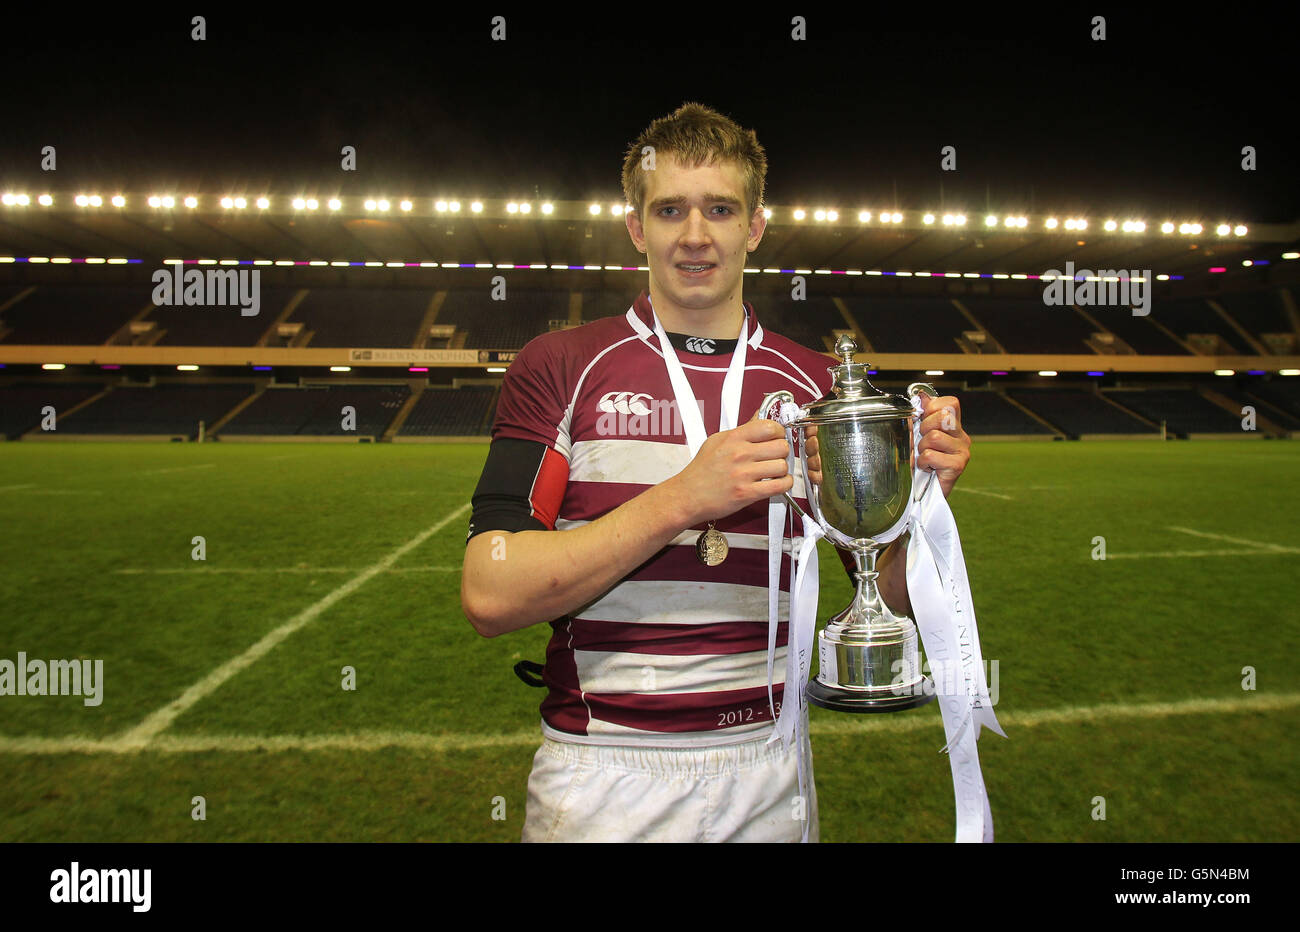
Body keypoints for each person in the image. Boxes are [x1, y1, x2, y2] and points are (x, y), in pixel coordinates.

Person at [461, 102, 972, 842]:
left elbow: (890, 598)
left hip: (771, 774)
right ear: (636, 226)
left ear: (754, 226)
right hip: (605, 773)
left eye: (720, 209)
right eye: (670, 209)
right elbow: (489, 591)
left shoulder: (819, 384)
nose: (695, 235)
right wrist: (680, 501)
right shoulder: (562, 365)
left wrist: (921, 506)